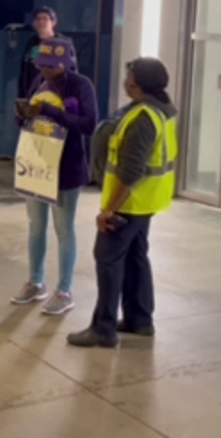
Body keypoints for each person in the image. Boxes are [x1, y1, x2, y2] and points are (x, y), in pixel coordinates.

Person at [68, 57, 177, 348]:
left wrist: (108, 210)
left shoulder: (143, 118)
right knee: (135, 258)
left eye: (129, 75)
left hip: (129, 203)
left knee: (107, 260)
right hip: (146, 202)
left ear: (136, 83)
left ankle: (103, 328)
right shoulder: (160, 112)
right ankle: (140, 320)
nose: (126, 80)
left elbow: (131, 172)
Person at [9, 37, 99, 316]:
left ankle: (64, 290)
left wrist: (51, 111)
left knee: (64, 229)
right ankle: (36, 282)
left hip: (67, 167)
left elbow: (89, 124)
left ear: (66, 64)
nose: (45, 71)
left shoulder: (81, 86)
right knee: (36, 226)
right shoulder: (39, 82)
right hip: (38, 163)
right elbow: (29, 120)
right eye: (42, 66)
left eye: (51, 67)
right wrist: (22, 115)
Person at [17, 6, 70, 101]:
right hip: (32, 96)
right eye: (38, 19)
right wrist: (22, 96)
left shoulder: (63, 43)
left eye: (45, 18)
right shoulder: (32, 43)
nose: (41, 22)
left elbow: (71, 70)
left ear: (53, 22)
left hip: (56, 97)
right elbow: (25, 70)